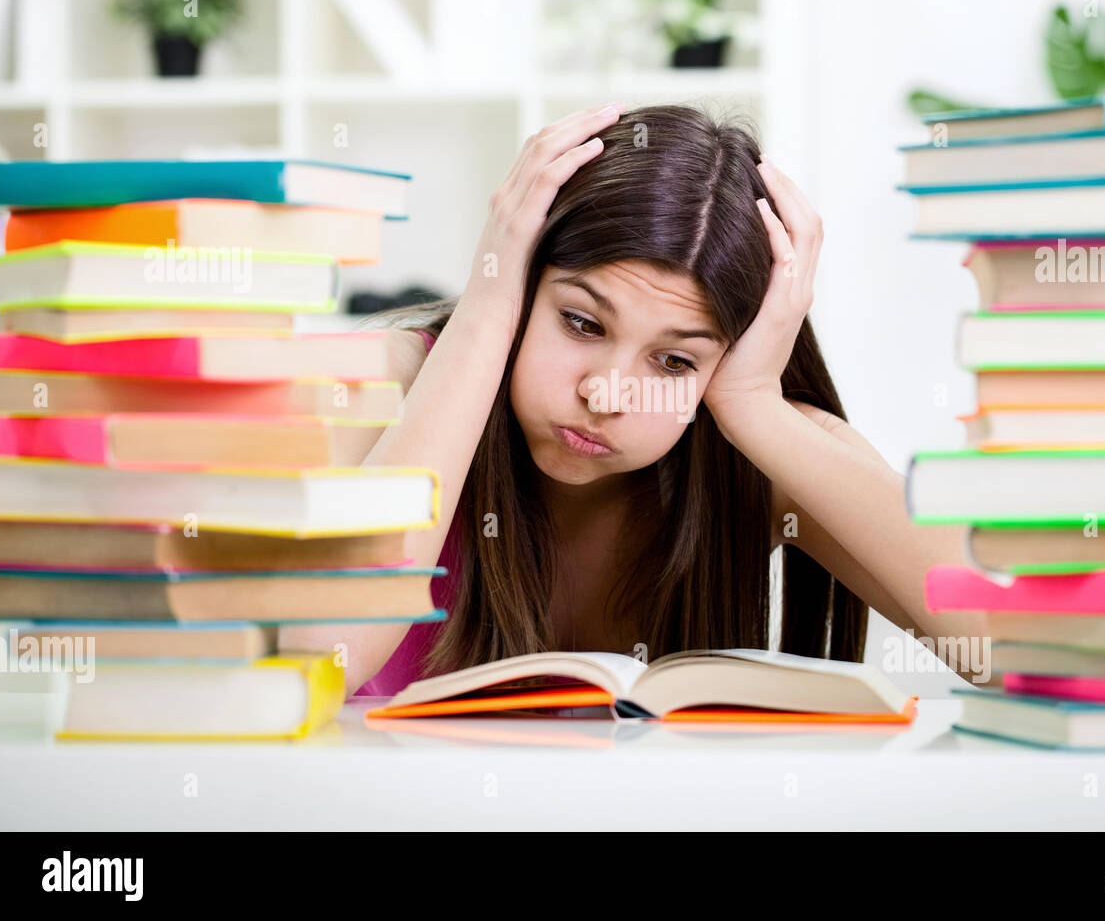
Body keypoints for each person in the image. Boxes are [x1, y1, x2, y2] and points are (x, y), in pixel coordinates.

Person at [281, 102, 984, 699]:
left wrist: (755, 406)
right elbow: (319, 659)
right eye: (582, 323)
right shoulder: (389, 383)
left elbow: (1008, 647)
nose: (604, 393)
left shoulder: (747, 441)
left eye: (675, 360)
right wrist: (489, 304)